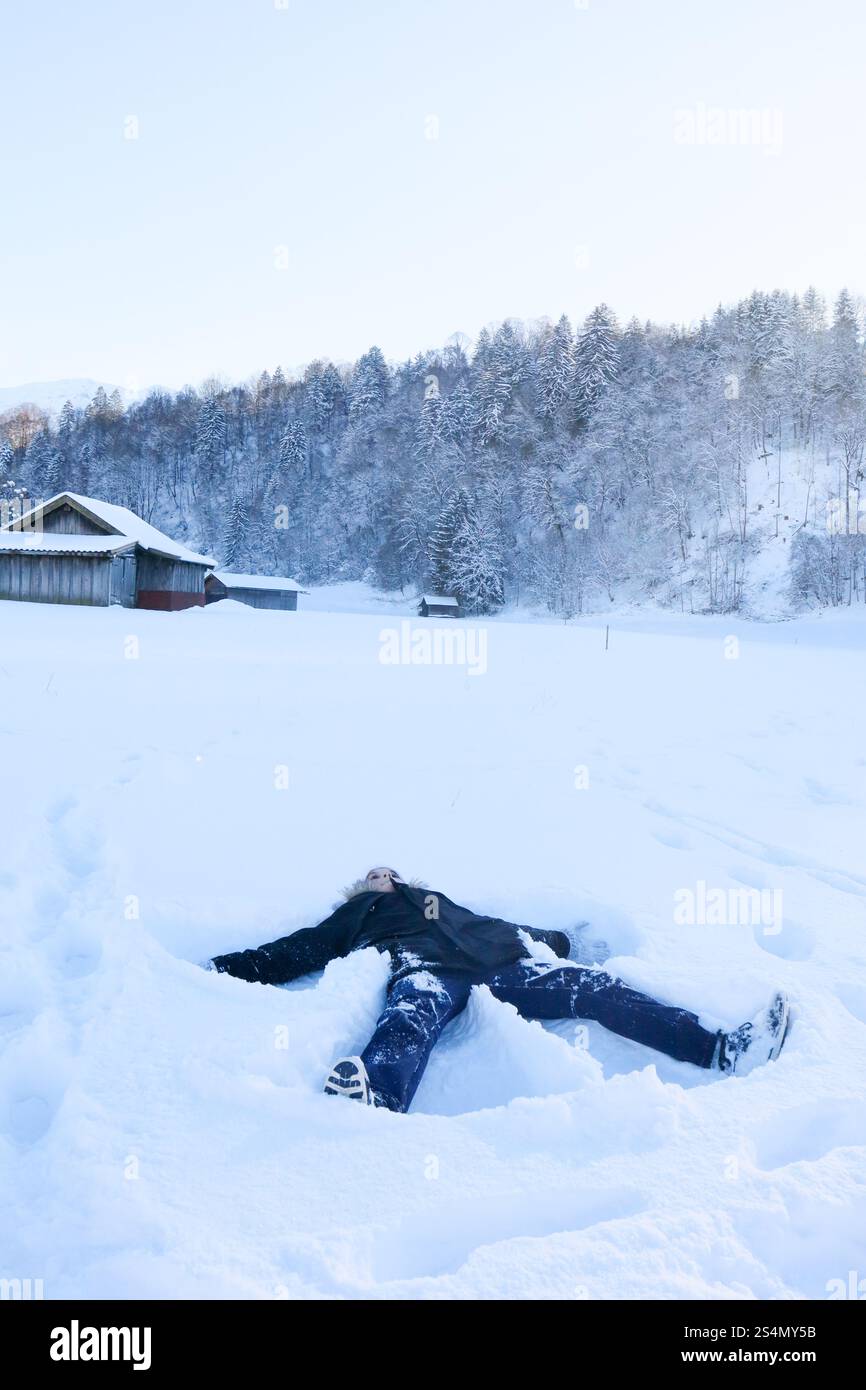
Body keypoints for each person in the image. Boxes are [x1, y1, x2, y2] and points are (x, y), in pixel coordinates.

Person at [207, 867, 790, 1113]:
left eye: (388, 870)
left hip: (502, 966)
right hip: (425, 969)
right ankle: (377, 1094)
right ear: (363, 886)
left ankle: (719, 1048)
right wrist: (229, 967)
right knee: (411, 1016)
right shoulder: (359, 913)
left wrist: (558, 939)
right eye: (373, 873)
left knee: (596, 989)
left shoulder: (439, 901)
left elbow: (498, 928)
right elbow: (299, 947)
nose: (382, 875)